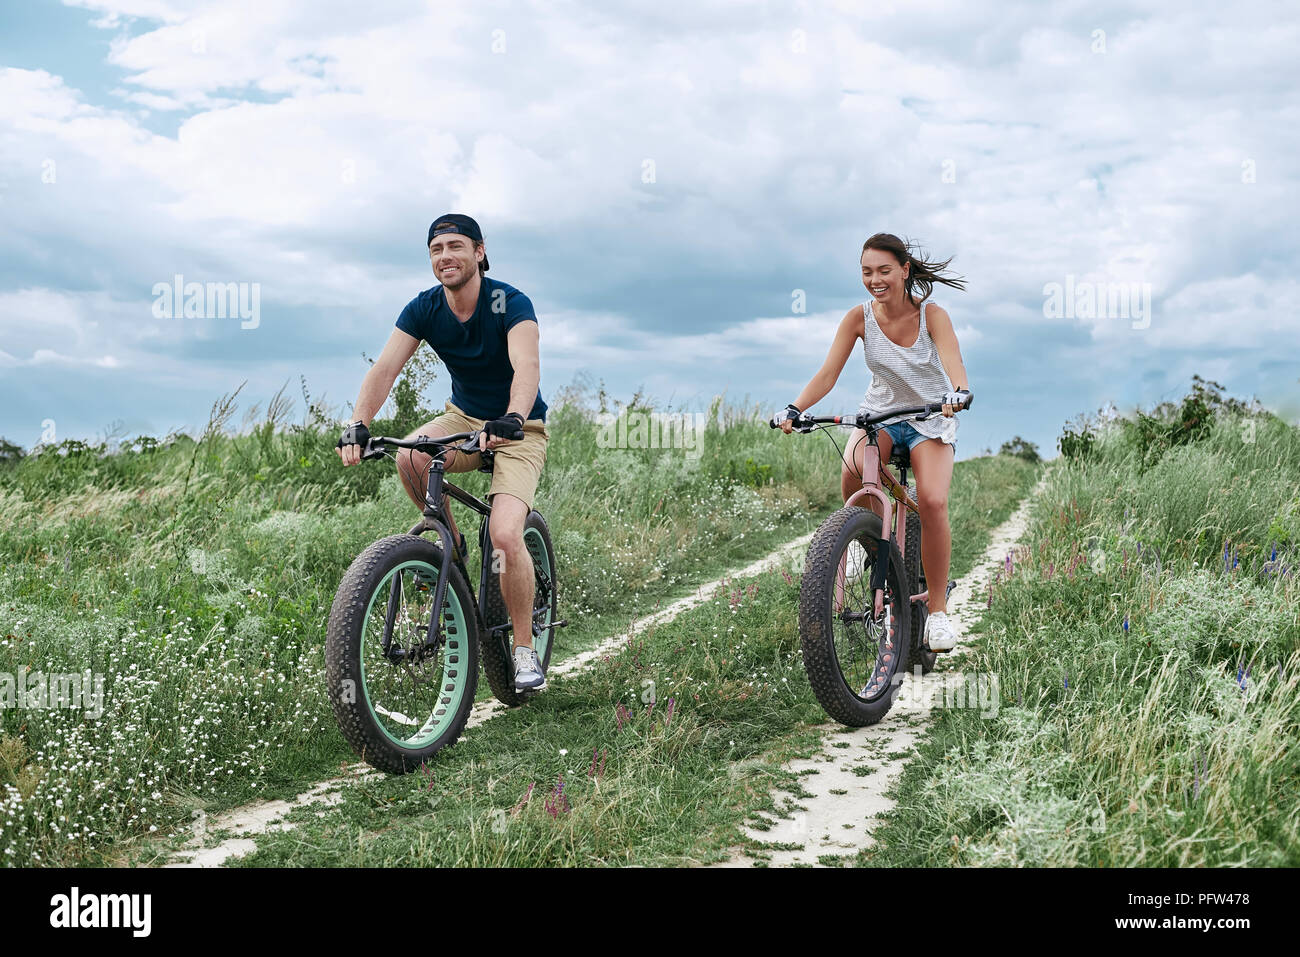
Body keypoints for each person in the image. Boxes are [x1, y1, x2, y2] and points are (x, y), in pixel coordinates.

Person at [336, 213, 550, 690]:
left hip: (519, 427)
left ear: (479, 252)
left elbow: (526, 367)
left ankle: (522, 649)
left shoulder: (510, 302)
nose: (445, 256)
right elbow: (385, 369)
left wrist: (513, 418)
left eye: (456, 246)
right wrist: (358, 424)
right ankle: (450, 548)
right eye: (436, 249)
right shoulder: (425, 307)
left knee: (505, 534)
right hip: (464, 419)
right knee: (410, 455)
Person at [773, 233, 971, 653]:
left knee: (932, 501)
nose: (875, 279)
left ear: (904, 270)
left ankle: (937, 614)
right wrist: (795, 407)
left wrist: (958, 391)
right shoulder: (858, 318)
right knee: (852, 476)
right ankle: (865, 541)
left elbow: (954, 361)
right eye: (867, 272)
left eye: (884, 270)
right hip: (880, 414)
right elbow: (828, 374)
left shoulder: (931, 315)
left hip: (929, 418)